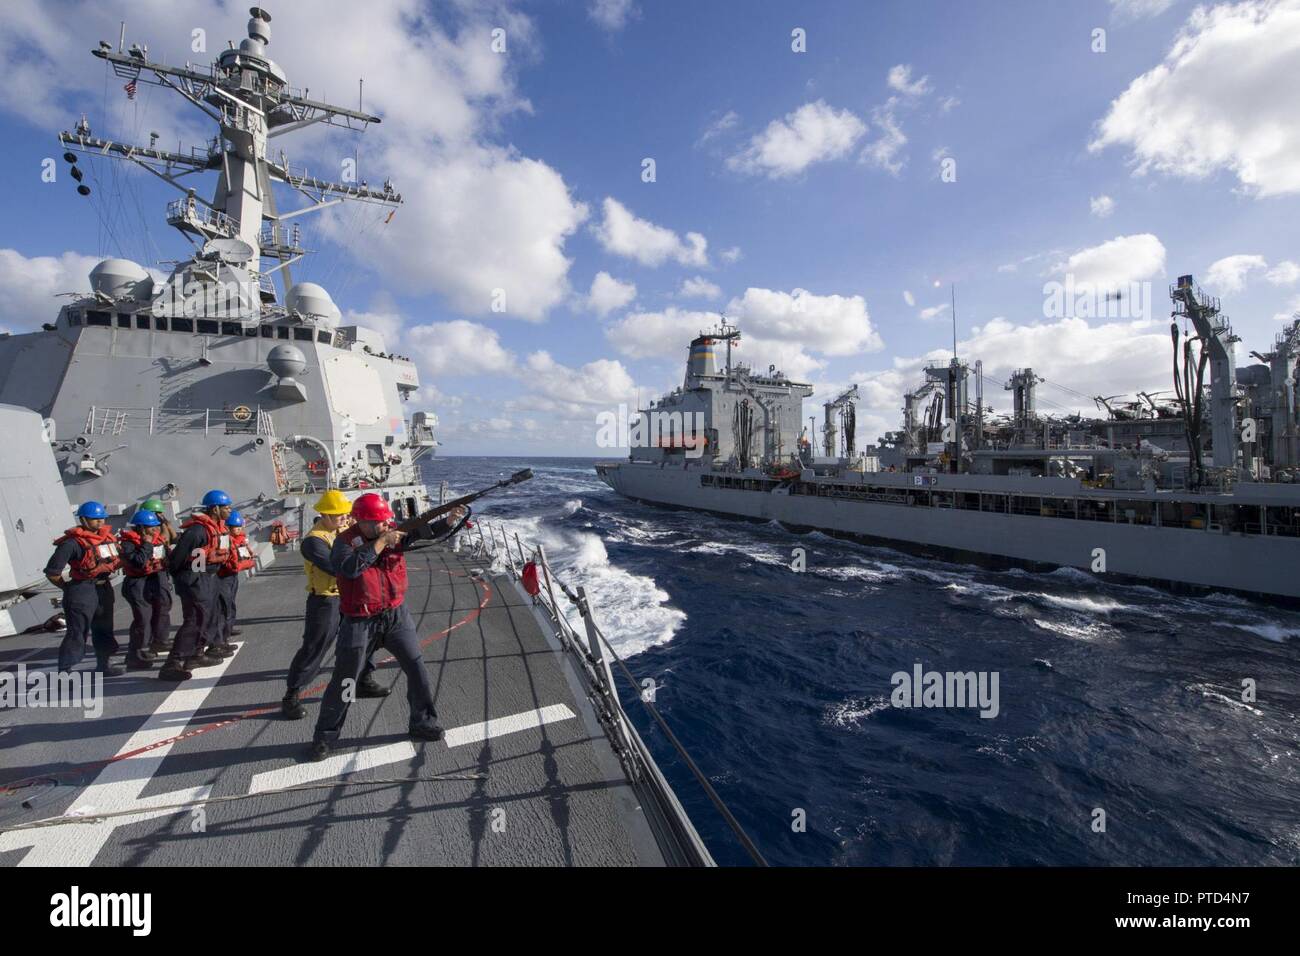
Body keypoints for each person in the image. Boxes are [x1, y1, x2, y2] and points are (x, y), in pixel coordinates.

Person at [306, 493, 465, 761]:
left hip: (395, 616)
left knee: (416, 668)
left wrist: (448, 521)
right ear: (362, 522)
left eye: (385, 522)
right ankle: (326, 735)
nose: (385, 526)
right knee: (345, 679)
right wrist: (381, 542)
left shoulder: (391, 533)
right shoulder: (344, 543)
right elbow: (349, 568)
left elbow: (422, 532)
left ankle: (422, 722)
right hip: (359, 620)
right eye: (379, 523)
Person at [282, 489, 387, 720]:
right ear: (325, 515)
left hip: (351, 596)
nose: (345, 518)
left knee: (364, 642)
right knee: (315, 646)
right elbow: (338, 568)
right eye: (339, 515)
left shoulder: (344, 531)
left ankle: (363, 680)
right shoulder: (313, 542)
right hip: (326, 600)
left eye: (345, 514)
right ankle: (292, 695)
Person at [159, 489, 233, 682]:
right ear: (215, 509)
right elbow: (179, 559)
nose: (230, 510)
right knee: (194, 620)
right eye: (226, 507)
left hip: (210, 577)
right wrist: (193, 580)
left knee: (209, 617)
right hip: (196, 578)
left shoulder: (217, 528)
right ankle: (172, 663)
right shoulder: (198, 531)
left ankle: (196, 654)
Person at [44, 501, 123, 676]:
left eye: (101, 519)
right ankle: (64, 672)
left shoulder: (107, 539)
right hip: (81, 590)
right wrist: (67, 588)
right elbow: (52, 572)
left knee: (104, 629)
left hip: (104, 589)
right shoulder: (72, 544)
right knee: (77, 633)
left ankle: (104, 665)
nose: (100, 522)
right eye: (95, 519)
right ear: (83, 519)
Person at [118, 509, 170, 670]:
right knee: (143, 619)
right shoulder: (128, 544)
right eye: (151, 528)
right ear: (141, 528)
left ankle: (157, 643)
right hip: (137, 583)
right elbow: (139, 562)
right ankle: (135, 655)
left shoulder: (157, 539)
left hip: (155, 579)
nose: (155, 530)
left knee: (161, 610)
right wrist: (146, 544)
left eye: (156, 527)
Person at [212, 510, 256, 651]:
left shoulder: (240, 540)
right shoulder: (224, 540)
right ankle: (219, 639)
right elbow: (225, 560)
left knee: (230, 604)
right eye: (235, 527)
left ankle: (228, 629)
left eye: (239, 527)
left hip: (232, 576)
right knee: (223, 607)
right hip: (223, 577)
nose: (239, 530)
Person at [139, 497, 176, 654]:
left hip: (160, 572)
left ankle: (160, 639)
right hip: (146, 577)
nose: (159, 516)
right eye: (157, 514)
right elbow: (164, 539)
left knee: (163, 606)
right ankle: (148, 643)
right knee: (149, 611)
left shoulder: (161, 528)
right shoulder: (144, 533)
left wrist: (166, 524)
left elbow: (171, 538)